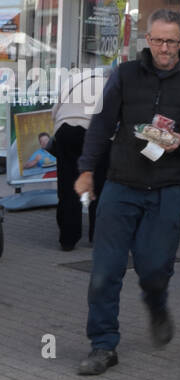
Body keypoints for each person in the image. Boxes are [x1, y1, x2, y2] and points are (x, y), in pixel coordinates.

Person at [73, 10, 180, 376]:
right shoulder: (124, 75)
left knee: (154, 268)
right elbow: (103, 124)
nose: (164, 48)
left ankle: (157, 304)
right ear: (148, 40)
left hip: (169, 187)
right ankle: (103, 345)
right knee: (105, 272)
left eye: (171, 41)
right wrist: (87, 169)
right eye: (157, 40)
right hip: (122, 184)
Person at [51, 68, 108, 250]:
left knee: (68, 186)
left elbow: (55, 111)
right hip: (93, 133)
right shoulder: (111, 84)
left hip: (65, 130)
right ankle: (97, 236)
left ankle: (67, 239)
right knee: (98, 185)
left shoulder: (74, 80)